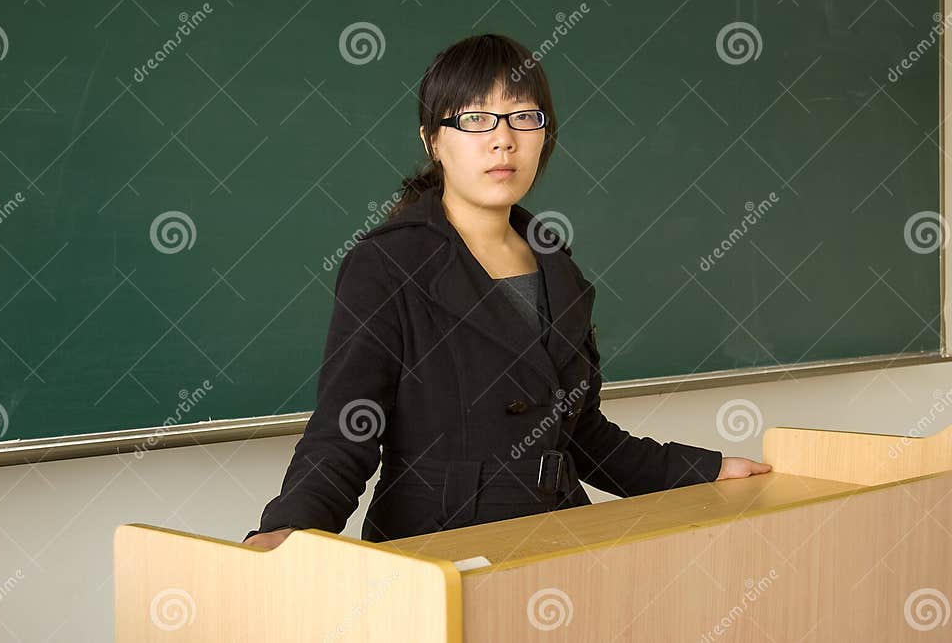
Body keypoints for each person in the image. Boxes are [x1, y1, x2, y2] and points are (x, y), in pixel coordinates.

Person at [244, 33, 770, 550]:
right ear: (432, 139)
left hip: (561, 539)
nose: (504, 139)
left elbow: (583, 436)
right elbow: (346, 431)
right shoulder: (388, 263)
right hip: (437, 551)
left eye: (524, 117)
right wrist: (291, 530)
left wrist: (704, 470)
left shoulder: (557, 265)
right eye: (475, 119)